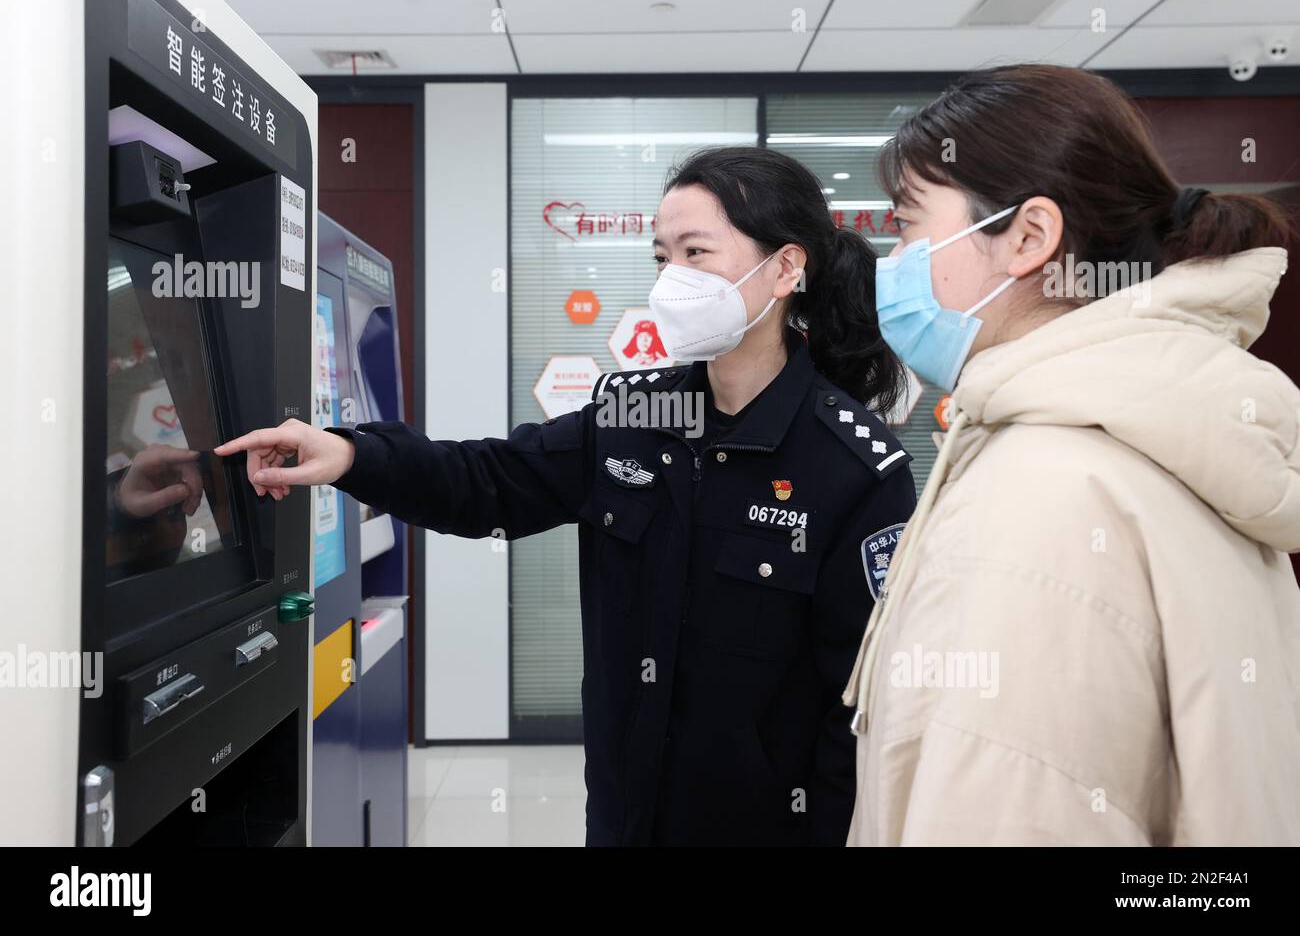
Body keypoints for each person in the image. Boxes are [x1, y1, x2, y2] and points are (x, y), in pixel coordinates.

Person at [217, 146, 917, 846]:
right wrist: (350, 455)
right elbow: (489, 481)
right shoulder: (633, 415)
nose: (670, 280)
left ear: (787, 269)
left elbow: (860, 709)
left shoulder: (855, 469)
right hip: (622, 819)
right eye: (661, 257)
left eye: (696, 253)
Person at [843, 63, 1300, 845]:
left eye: (909, 225)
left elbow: (1011, 808)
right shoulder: (1155, 437)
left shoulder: (1042, 490)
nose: (893, 260)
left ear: (1028, 237)